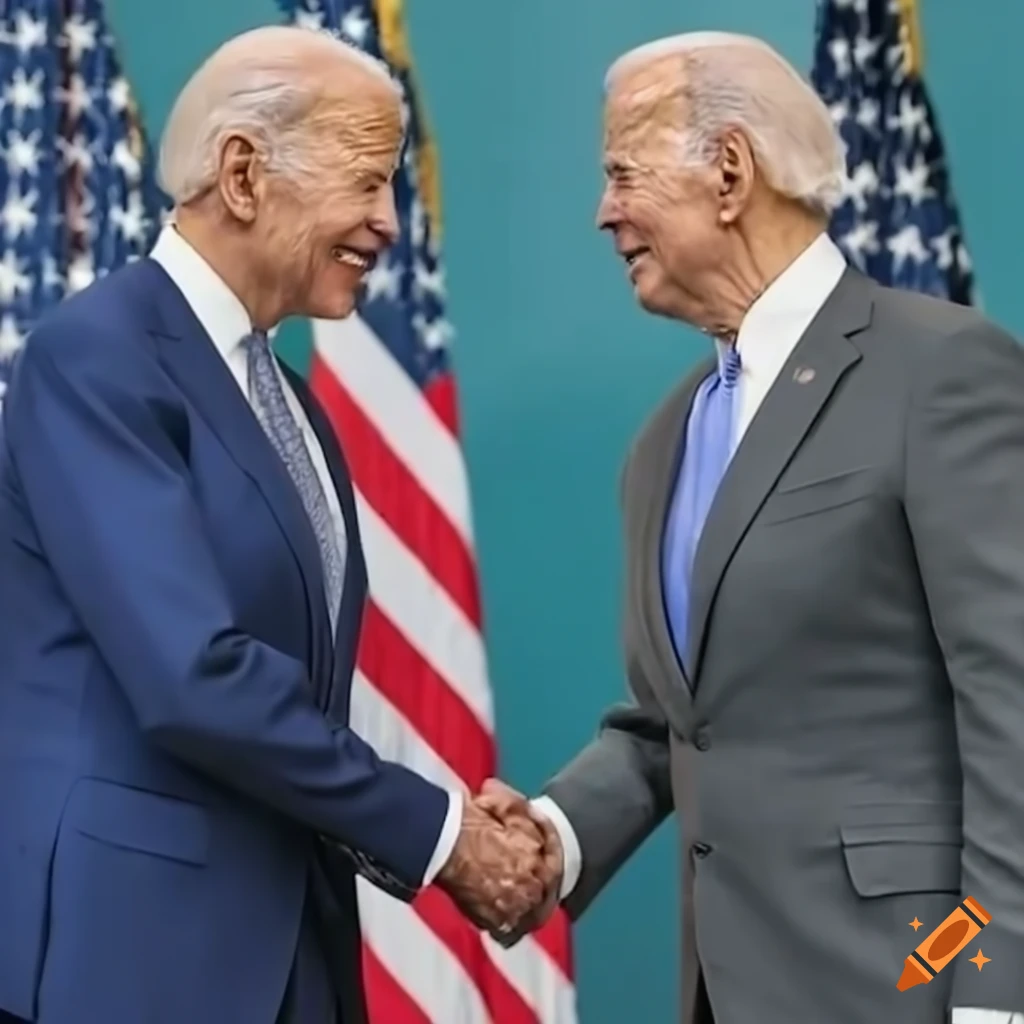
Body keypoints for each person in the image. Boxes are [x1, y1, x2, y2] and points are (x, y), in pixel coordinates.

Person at [0, 27, 550, 1024]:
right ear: (243, 173)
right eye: (366, 183)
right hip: (135, 957)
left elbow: (303, 694)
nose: (389, 222)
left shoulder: (287, 399)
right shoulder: (97, 359)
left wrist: (446, 821)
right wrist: (441, 836)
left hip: (291, 951)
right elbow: (193, 675)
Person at [479, 31, 1024, 1024]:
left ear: (728, 172)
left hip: (911, 985)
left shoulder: (939, 370)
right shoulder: (664, 440)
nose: (604, 214)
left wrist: (997, 988)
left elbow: (1014, 695)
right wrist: (553, 834)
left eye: (621, 175)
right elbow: (683, 718)